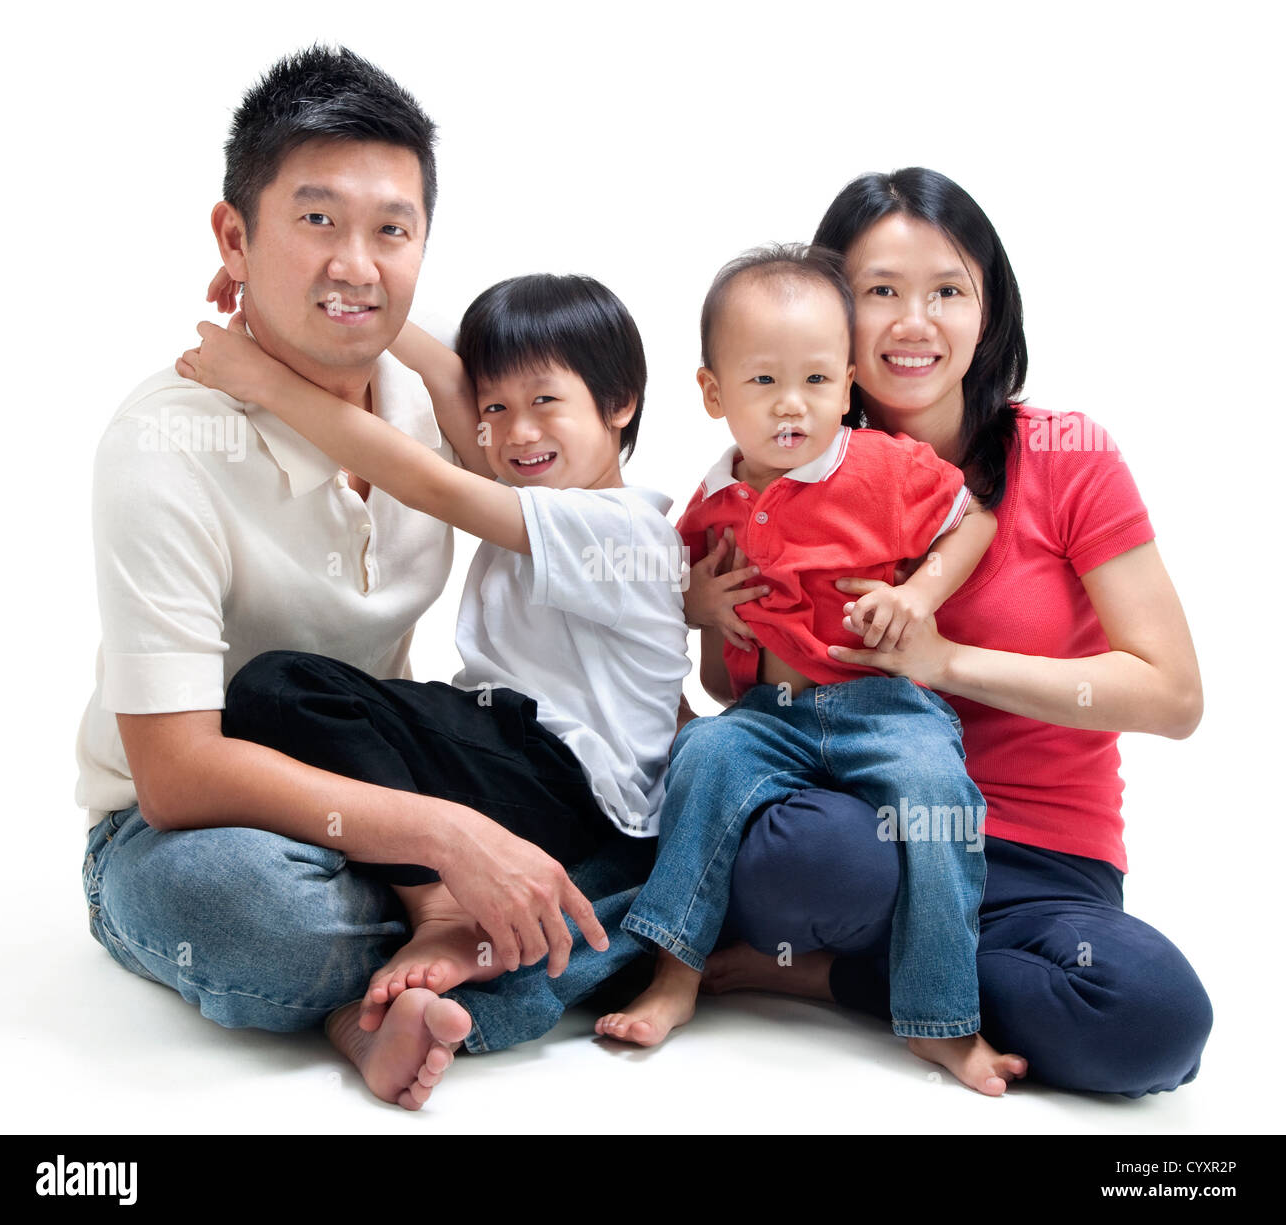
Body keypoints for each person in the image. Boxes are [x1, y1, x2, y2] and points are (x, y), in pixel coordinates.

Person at [77, 45, 610, 1113]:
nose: (356, 263)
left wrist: (374, 311)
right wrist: (446, 836)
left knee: (641, 779)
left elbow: (574, 501)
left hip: (382, 768)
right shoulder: (164, 442)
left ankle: (453, 940)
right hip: (195, 824)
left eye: (391, 230)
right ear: (235, 237)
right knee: (253, 913)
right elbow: (178, 772)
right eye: (316, 221)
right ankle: (527, 927)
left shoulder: (434, 408)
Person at [699, 168, 1212, 1098]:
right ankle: (903, 965)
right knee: (803, 860)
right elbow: (746, 700)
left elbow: (1172, 695)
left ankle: (834, 975)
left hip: (1042, 867)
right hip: (873, 843)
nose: (913, 322)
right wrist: (712, 612)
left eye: (947, 291)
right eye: (878, 292)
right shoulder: (775, 459)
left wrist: (946, 662)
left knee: (1152, 1021)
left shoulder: (1067, 456)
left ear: (989, 308)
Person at [178, 271, 691, 1094]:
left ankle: (443, 909)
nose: (514, 432)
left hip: (564, 782)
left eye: (546, 402)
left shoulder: (615, 529)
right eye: (497, 410)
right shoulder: (534, 485)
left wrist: (262, 378)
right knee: (287, 712)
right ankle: (386, 1004)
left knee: (281, 690)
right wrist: (335, 303)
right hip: (506, 755)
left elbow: (427, 480)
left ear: (620, 402)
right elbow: (453, 379)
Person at [594, 244, 1028, 1095]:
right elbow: (667, 604)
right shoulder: (711, 505)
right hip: (771, 713)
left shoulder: (883, 467)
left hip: (885, 706)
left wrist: (923, 594)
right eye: (763, 384)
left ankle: (943, 1017)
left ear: (851, 380)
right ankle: (676, 973)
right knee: (704, 758)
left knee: (940, 797)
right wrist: (699, 607)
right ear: (714, 393)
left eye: (819, 382)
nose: (794, 407)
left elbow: (971, 518)